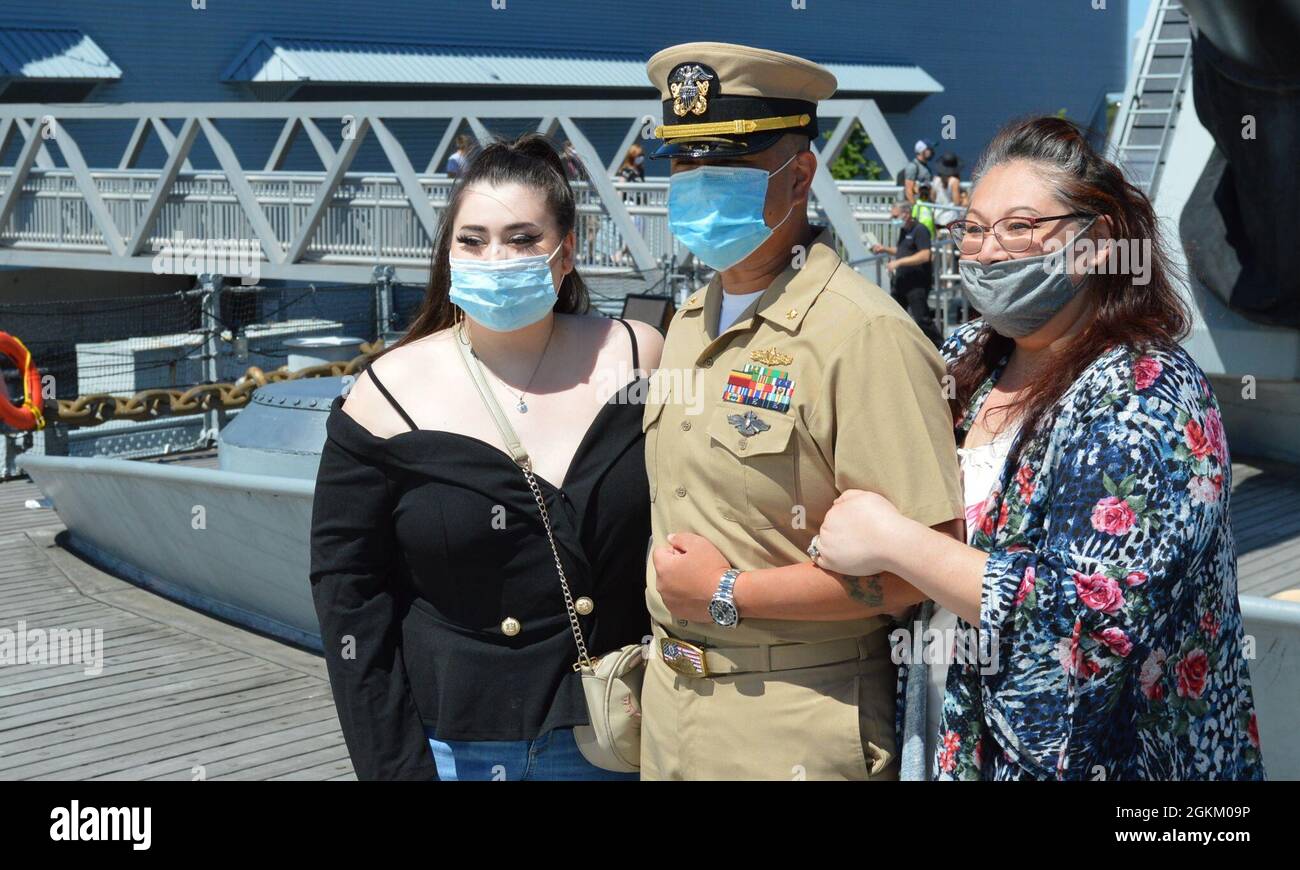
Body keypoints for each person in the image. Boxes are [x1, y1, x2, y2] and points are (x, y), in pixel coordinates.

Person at [813, 116, 1266, 781]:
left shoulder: (1148, 392)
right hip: (949, 732)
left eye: (1021, 227)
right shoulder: (964, 360)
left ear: (1096, 242)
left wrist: (893, 541)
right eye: (973, 228)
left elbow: (1088, 626)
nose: (989, 251)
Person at [639, 42, 965, 781]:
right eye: (684, 165)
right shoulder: (692, 318)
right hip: (671, 710)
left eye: (725, 167)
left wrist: (728, 595)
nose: (697, 186)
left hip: (795, 717)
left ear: (801, 175)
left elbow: (923, 567)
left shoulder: (864, 334)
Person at [309, 132, 664, 781]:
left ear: (566, 256)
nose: (496, 258)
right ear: (449, 254)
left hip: (621, 734)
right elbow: (348, 599)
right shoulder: (383, 394)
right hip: (458, 750)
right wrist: (395, 769)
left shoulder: (640, 357)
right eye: (472, 240)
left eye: (523, 239)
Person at [873, 198, 941, 346]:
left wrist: (898, 262)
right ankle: (898, 346)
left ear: (906, 214)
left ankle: (941, 348)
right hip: (902, 282)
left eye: (895, 216)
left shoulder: (920, 229)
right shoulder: (905, 230)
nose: (893, 219)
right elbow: (903, 251)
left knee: (922, 320)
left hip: (916, 283)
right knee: (895, 315)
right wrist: (885, 249)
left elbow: (925, 255)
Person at [902, 139, 934, 203]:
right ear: (922, 151)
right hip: (918, 205)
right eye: (929, 149)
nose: (932, 151)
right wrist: (915, 207)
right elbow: (908, 190)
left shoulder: (926, 167)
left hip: (925, 203)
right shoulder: (913, 166)